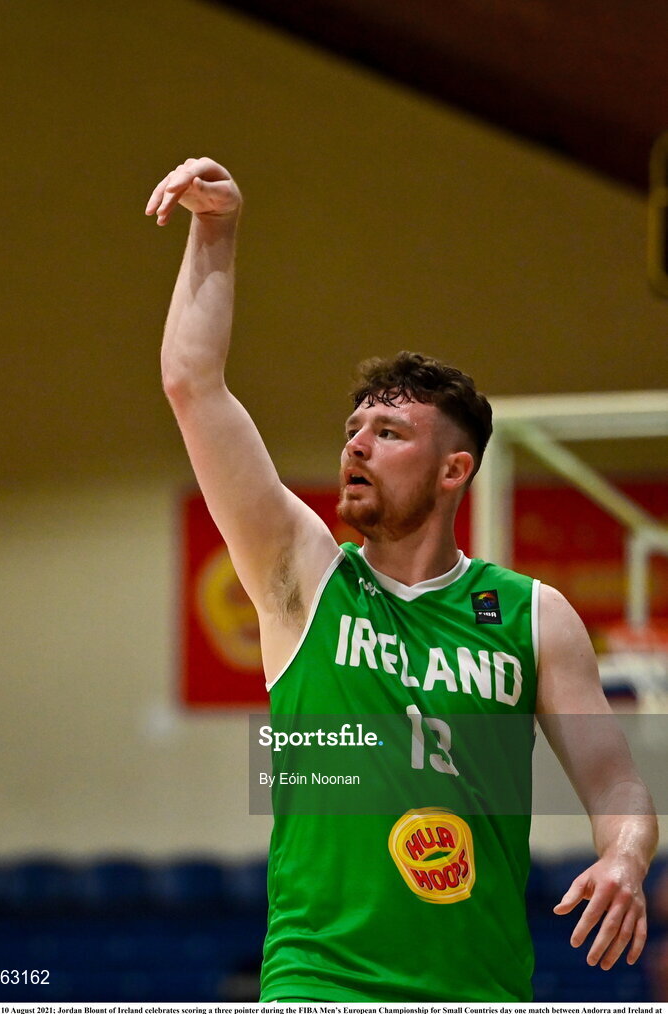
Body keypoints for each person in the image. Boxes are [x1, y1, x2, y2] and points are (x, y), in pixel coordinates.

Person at [146, 156, 658, 1002]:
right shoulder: (301, 575)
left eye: (388, 431)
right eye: (353, 428)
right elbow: (191, 386)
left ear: (454, 470)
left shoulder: (533, 614)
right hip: (322, 984)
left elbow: (615, 783)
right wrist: (217, 230)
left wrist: (627, 854)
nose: (355, 444)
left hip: (479, 988)